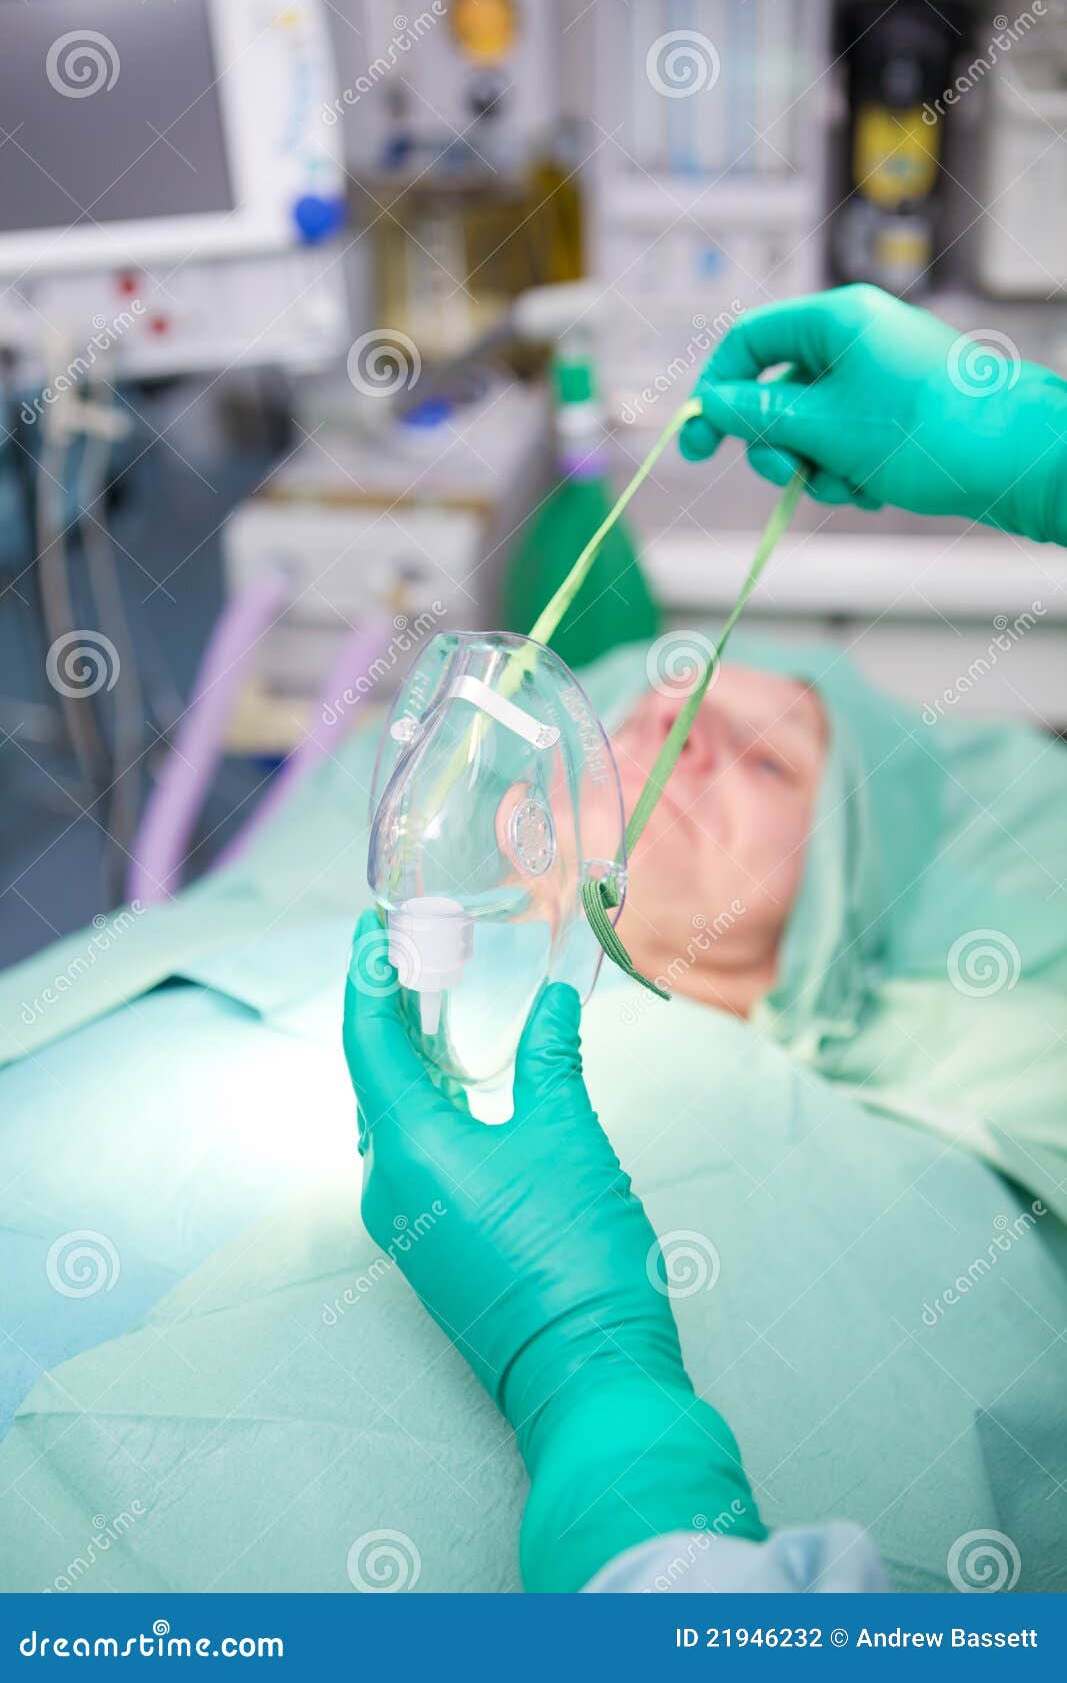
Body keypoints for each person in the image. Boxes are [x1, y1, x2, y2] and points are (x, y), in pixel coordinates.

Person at [343, 285, 1067, 1595]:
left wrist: (587, 1369)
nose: (693, 746)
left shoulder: (902, 1179)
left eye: (771, 763)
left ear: (828, 900)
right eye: (666, 709)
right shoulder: (334, 978)